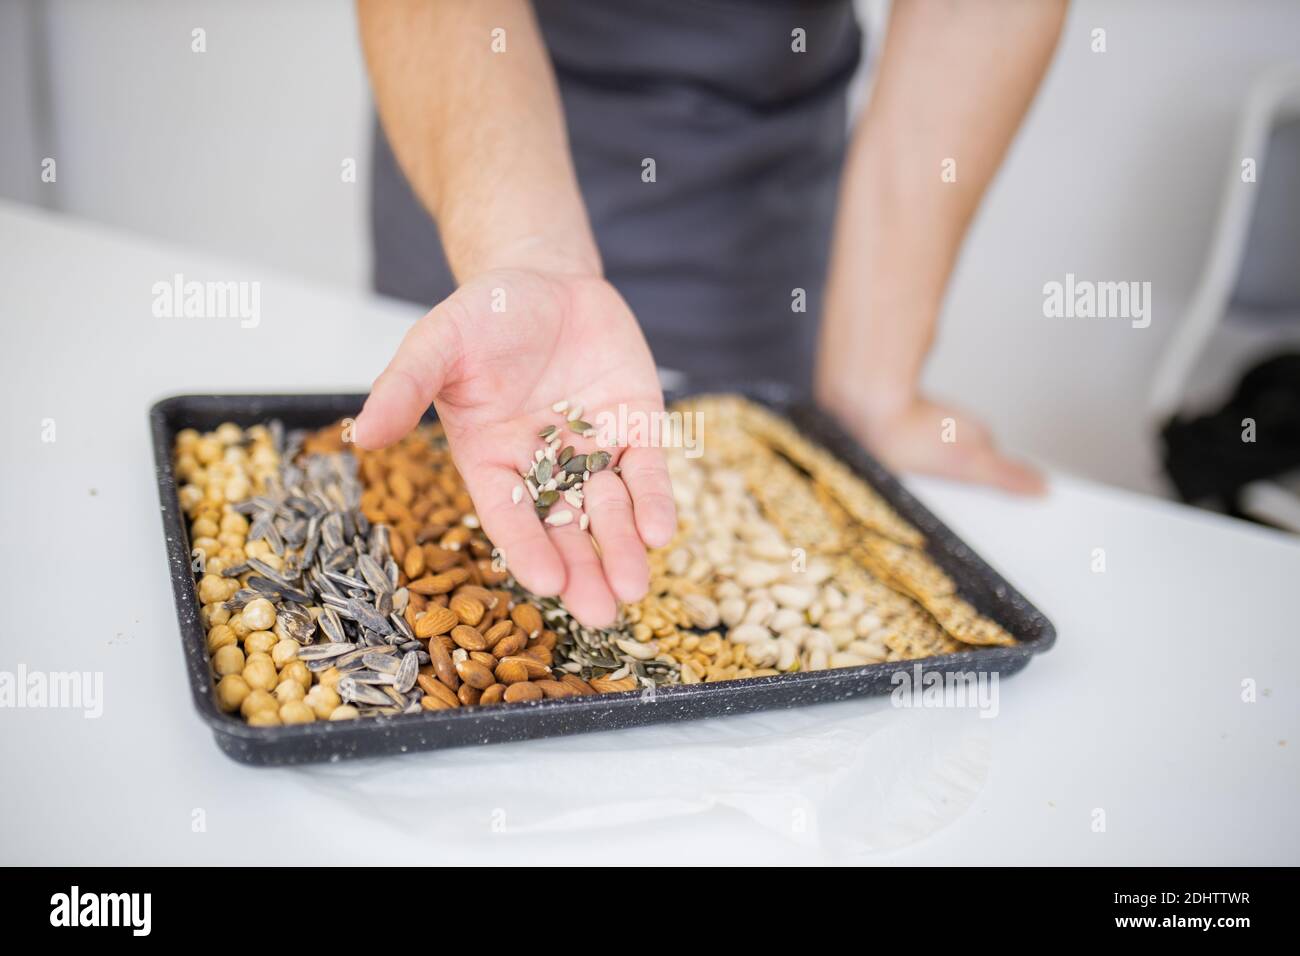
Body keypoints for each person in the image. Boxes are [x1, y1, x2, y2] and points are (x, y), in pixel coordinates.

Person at [352, 0, 1064, 627]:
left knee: (711, 493)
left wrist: (871, 388)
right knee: (446, 461)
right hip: (480, 132)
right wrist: (525, 259)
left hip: (751, 175)